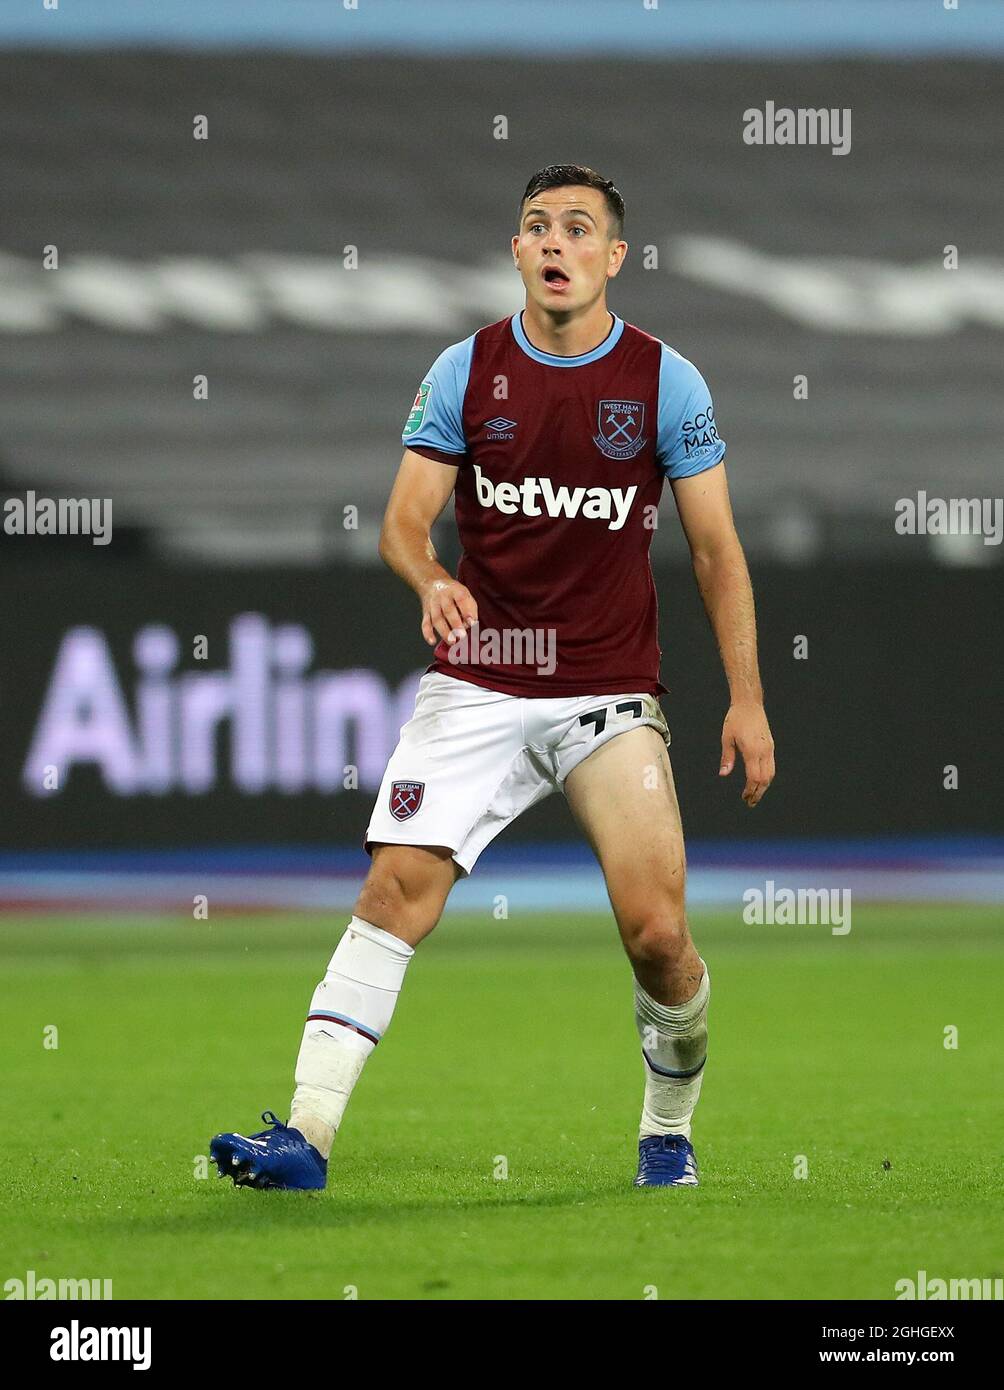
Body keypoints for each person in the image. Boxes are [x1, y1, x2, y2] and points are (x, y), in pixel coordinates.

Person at [211, 163, 775, 1192]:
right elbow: (399, 524)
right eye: (534, 227)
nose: (553, 243)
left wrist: (745, 697)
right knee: (393, 891)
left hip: (604, 692)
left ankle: (665, 1129)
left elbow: (715, 553)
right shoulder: (467, 371)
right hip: (478, 682)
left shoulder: (664, 381)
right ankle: (304, 1138)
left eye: (576, 229)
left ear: (611, 258)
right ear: (514, 252)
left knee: (656, 936)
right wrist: (429, 576)